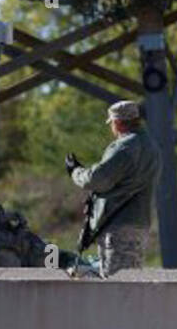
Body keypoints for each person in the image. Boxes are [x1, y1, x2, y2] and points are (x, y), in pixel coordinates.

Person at [65, 100, 160, 276]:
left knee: (117, 288)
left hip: (118, 227)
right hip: (139, 223)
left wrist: (75, 171)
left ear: (117, 123)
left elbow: (98, 180)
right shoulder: (151, 146)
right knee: (128, 282)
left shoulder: (125, 146)